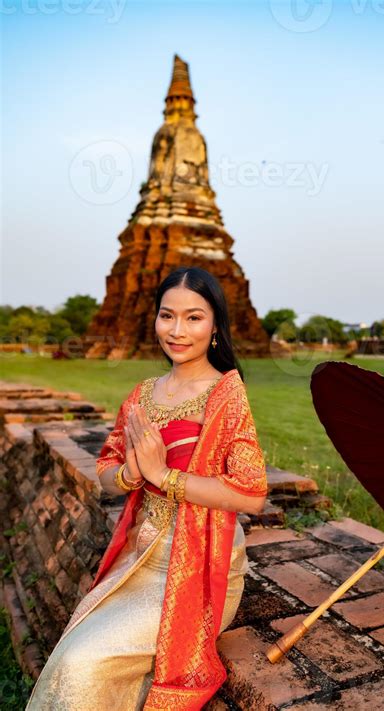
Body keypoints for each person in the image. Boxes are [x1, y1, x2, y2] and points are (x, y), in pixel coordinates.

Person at [25, 266, 268, 710]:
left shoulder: (225, 394)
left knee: (83, 661)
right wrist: (131, 475)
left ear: (215, 326)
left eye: (194, 318)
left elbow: (252, 494)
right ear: (154, 318)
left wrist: (164, 477)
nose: (177, 331)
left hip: (201, 572)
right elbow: (105, 468)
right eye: (166, 316)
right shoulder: (143, 394)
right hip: (142, 558)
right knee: (71, 646)